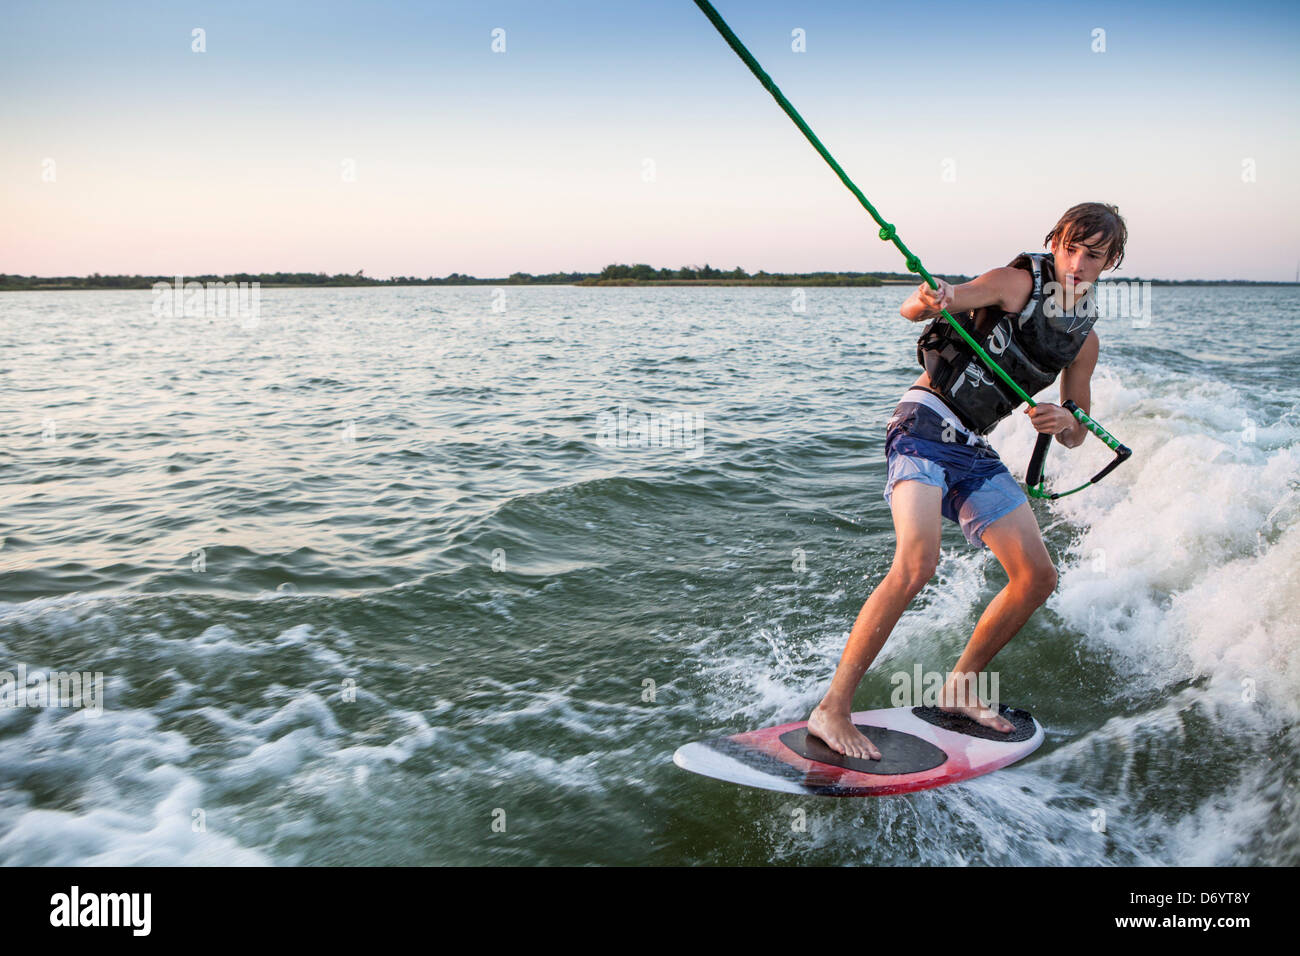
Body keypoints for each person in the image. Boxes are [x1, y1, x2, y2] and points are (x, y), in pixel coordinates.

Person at [806, 202, 1128, 759]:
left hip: (972, 447)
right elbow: (927, 305)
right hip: (924, 424)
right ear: (1054, 242)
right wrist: (930, 297)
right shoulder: (1014, 282)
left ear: (1111, 262)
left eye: (1094, 255)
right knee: (916, 564)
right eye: (1070, 247)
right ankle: (831, 709)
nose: (1077, 262)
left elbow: (1078, 430)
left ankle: (960, 687)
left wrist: (1065, 421)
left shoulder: (1084, 339)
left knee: (1036, 577)